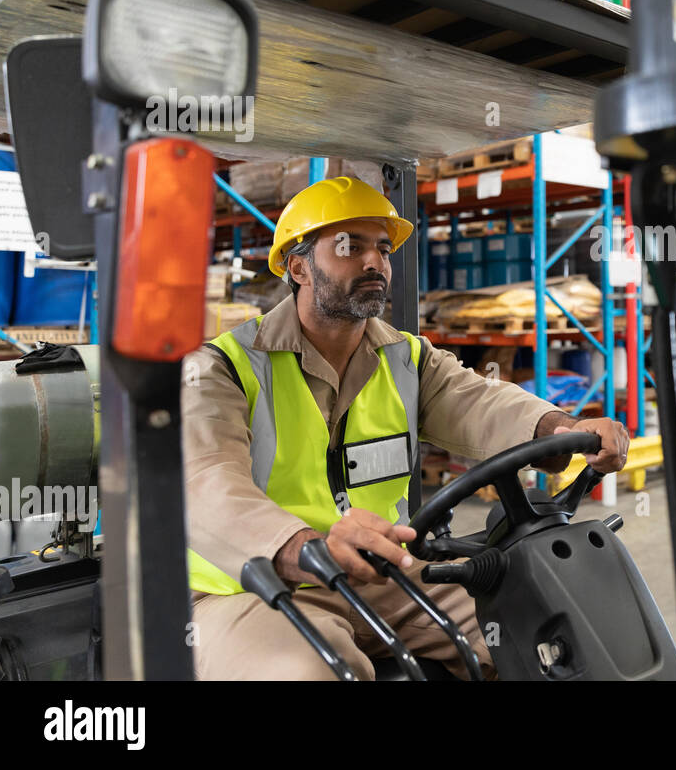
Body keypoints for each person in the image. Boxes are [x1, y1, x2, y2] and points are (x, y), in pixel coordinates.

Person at [181, 176, 628, 679]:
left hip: (381, 571)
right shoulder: (222, 368)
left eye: (384, 248)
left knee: (552, 617)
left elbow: (478, 401)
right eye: (351, 246)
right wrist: (305, 547)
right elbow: (205, 486)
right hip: (251, 585)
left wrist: (561, 426)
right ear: (299, 266)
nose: (374, 262)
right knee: (312, 673)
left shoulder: (405, 358)